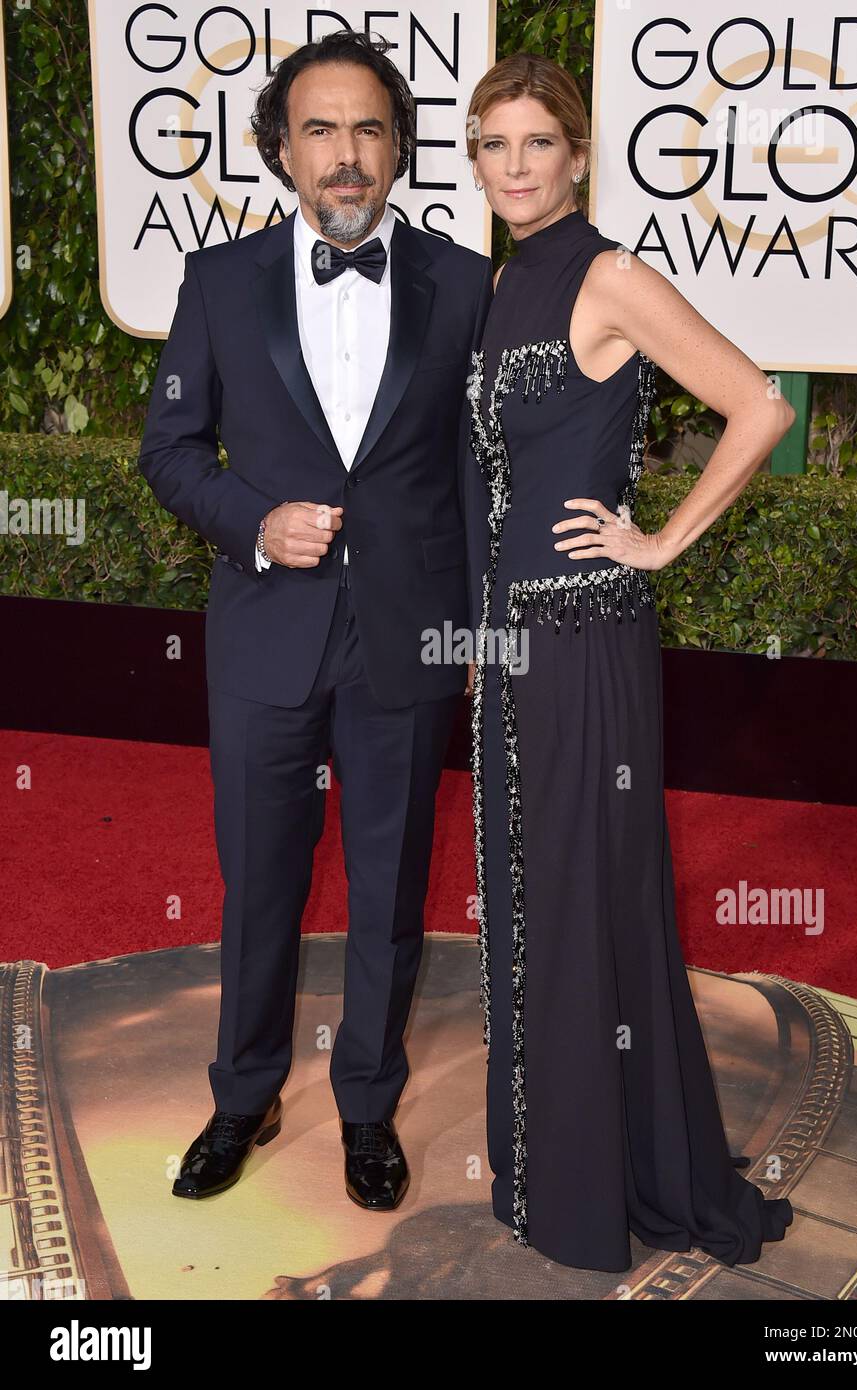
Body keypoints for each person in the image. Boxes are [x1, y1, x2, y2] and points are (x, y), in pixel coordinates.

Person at [138, 31, 492, 1210]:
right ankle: (242, 1095)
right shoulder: (218, 281)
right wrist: (253, 519)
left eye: (368, 129)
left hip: (408, 630)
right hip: (266, 626)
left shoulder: (462, 282)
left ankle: (365, 1102)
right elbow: (170, 451)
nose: (346, 156)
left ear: (396, 147)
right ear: (279, 148)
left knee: (392, 885)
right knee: (259, 884)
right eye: (320, 129)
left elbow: (477, 474)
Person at [462, 52, 796, 1273]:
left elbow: (758, 405)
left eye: (534, 144)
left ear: (578, 152)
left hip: (584, 641)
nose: (512, 166)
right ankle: (560, 1167)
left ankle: (606, 1183)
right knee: (529, 906)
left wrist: (655, 541)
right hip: (509, 653)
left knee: (584, 901)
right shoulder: (506, 283)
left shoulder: (611, 276)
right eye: (492, 145)